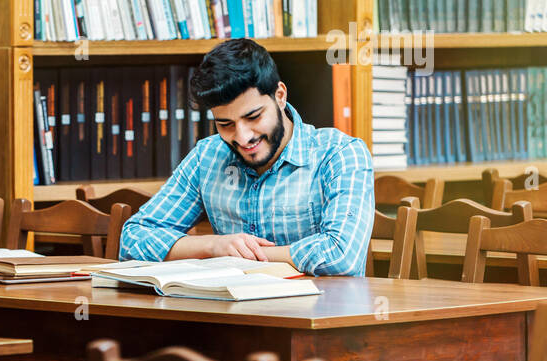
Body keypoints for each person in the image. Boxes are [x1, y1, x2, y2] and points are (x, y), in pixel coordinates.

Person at [119, 40, 374, 276]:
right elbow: (133, 240)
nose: (242, 137)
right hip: (232, 318)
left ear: (280, 96)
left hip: (321, 317)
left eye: (253, 117)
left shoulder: (340, 154)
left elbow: (342, 256)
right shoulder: (207, 156)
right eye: (225, 124)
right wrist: (215, 246)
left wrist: (241, 257)